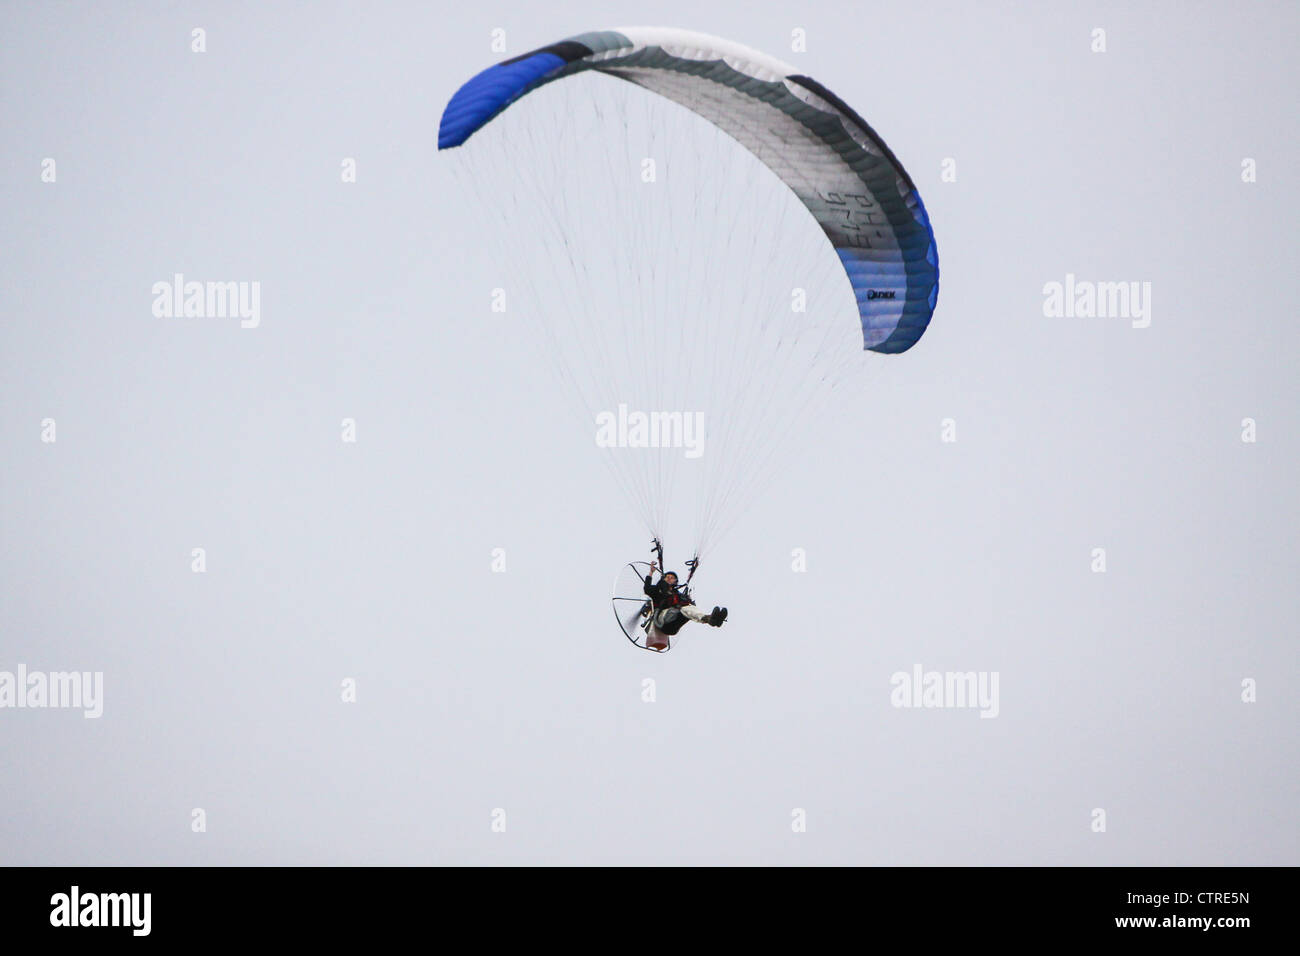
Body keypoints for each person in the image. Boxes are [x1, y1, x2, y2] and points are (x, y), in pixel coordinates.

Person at [642, 565, 727, 639]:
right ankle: (708, 618)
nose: (668, 578)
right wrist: (651, 573)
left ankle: (712, 619)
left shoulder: (677, 594)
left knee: (688, 607)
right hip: (662, 620)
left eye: (671, 578)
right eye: (667, 577)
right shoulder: (657, 590)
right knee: (683, 608)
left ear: (675, 581)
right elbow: (647, 589)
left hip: (673, 624)